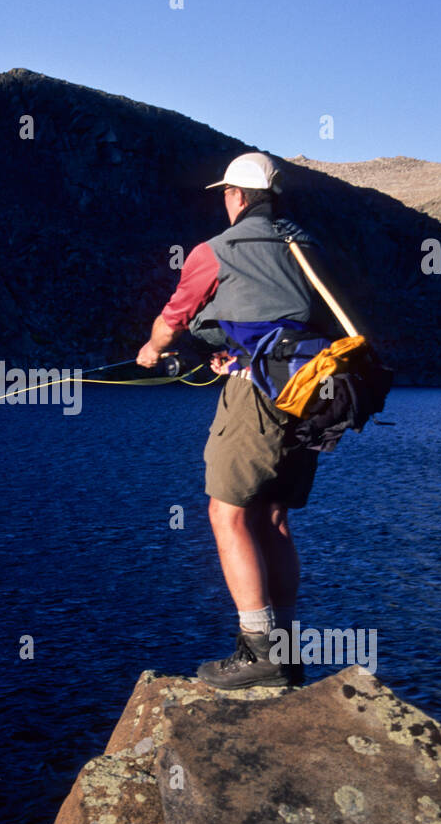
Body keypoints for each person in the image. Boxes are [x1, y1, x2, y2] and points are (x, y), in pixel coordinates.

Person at [136, 152, 347, 689]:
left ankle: (258, 652)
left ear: (237, 197)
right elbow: (295, 321)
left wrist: (151, 349)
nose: (224, 202)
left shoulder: (215, 251)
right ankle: (286, 650)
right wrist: (239, 350)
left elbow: (174, 317)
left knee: (225, 514)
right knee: (273, 518)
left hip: (258, 397)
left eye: (226, 194)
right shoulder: (308, 245)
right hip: (312, 396)